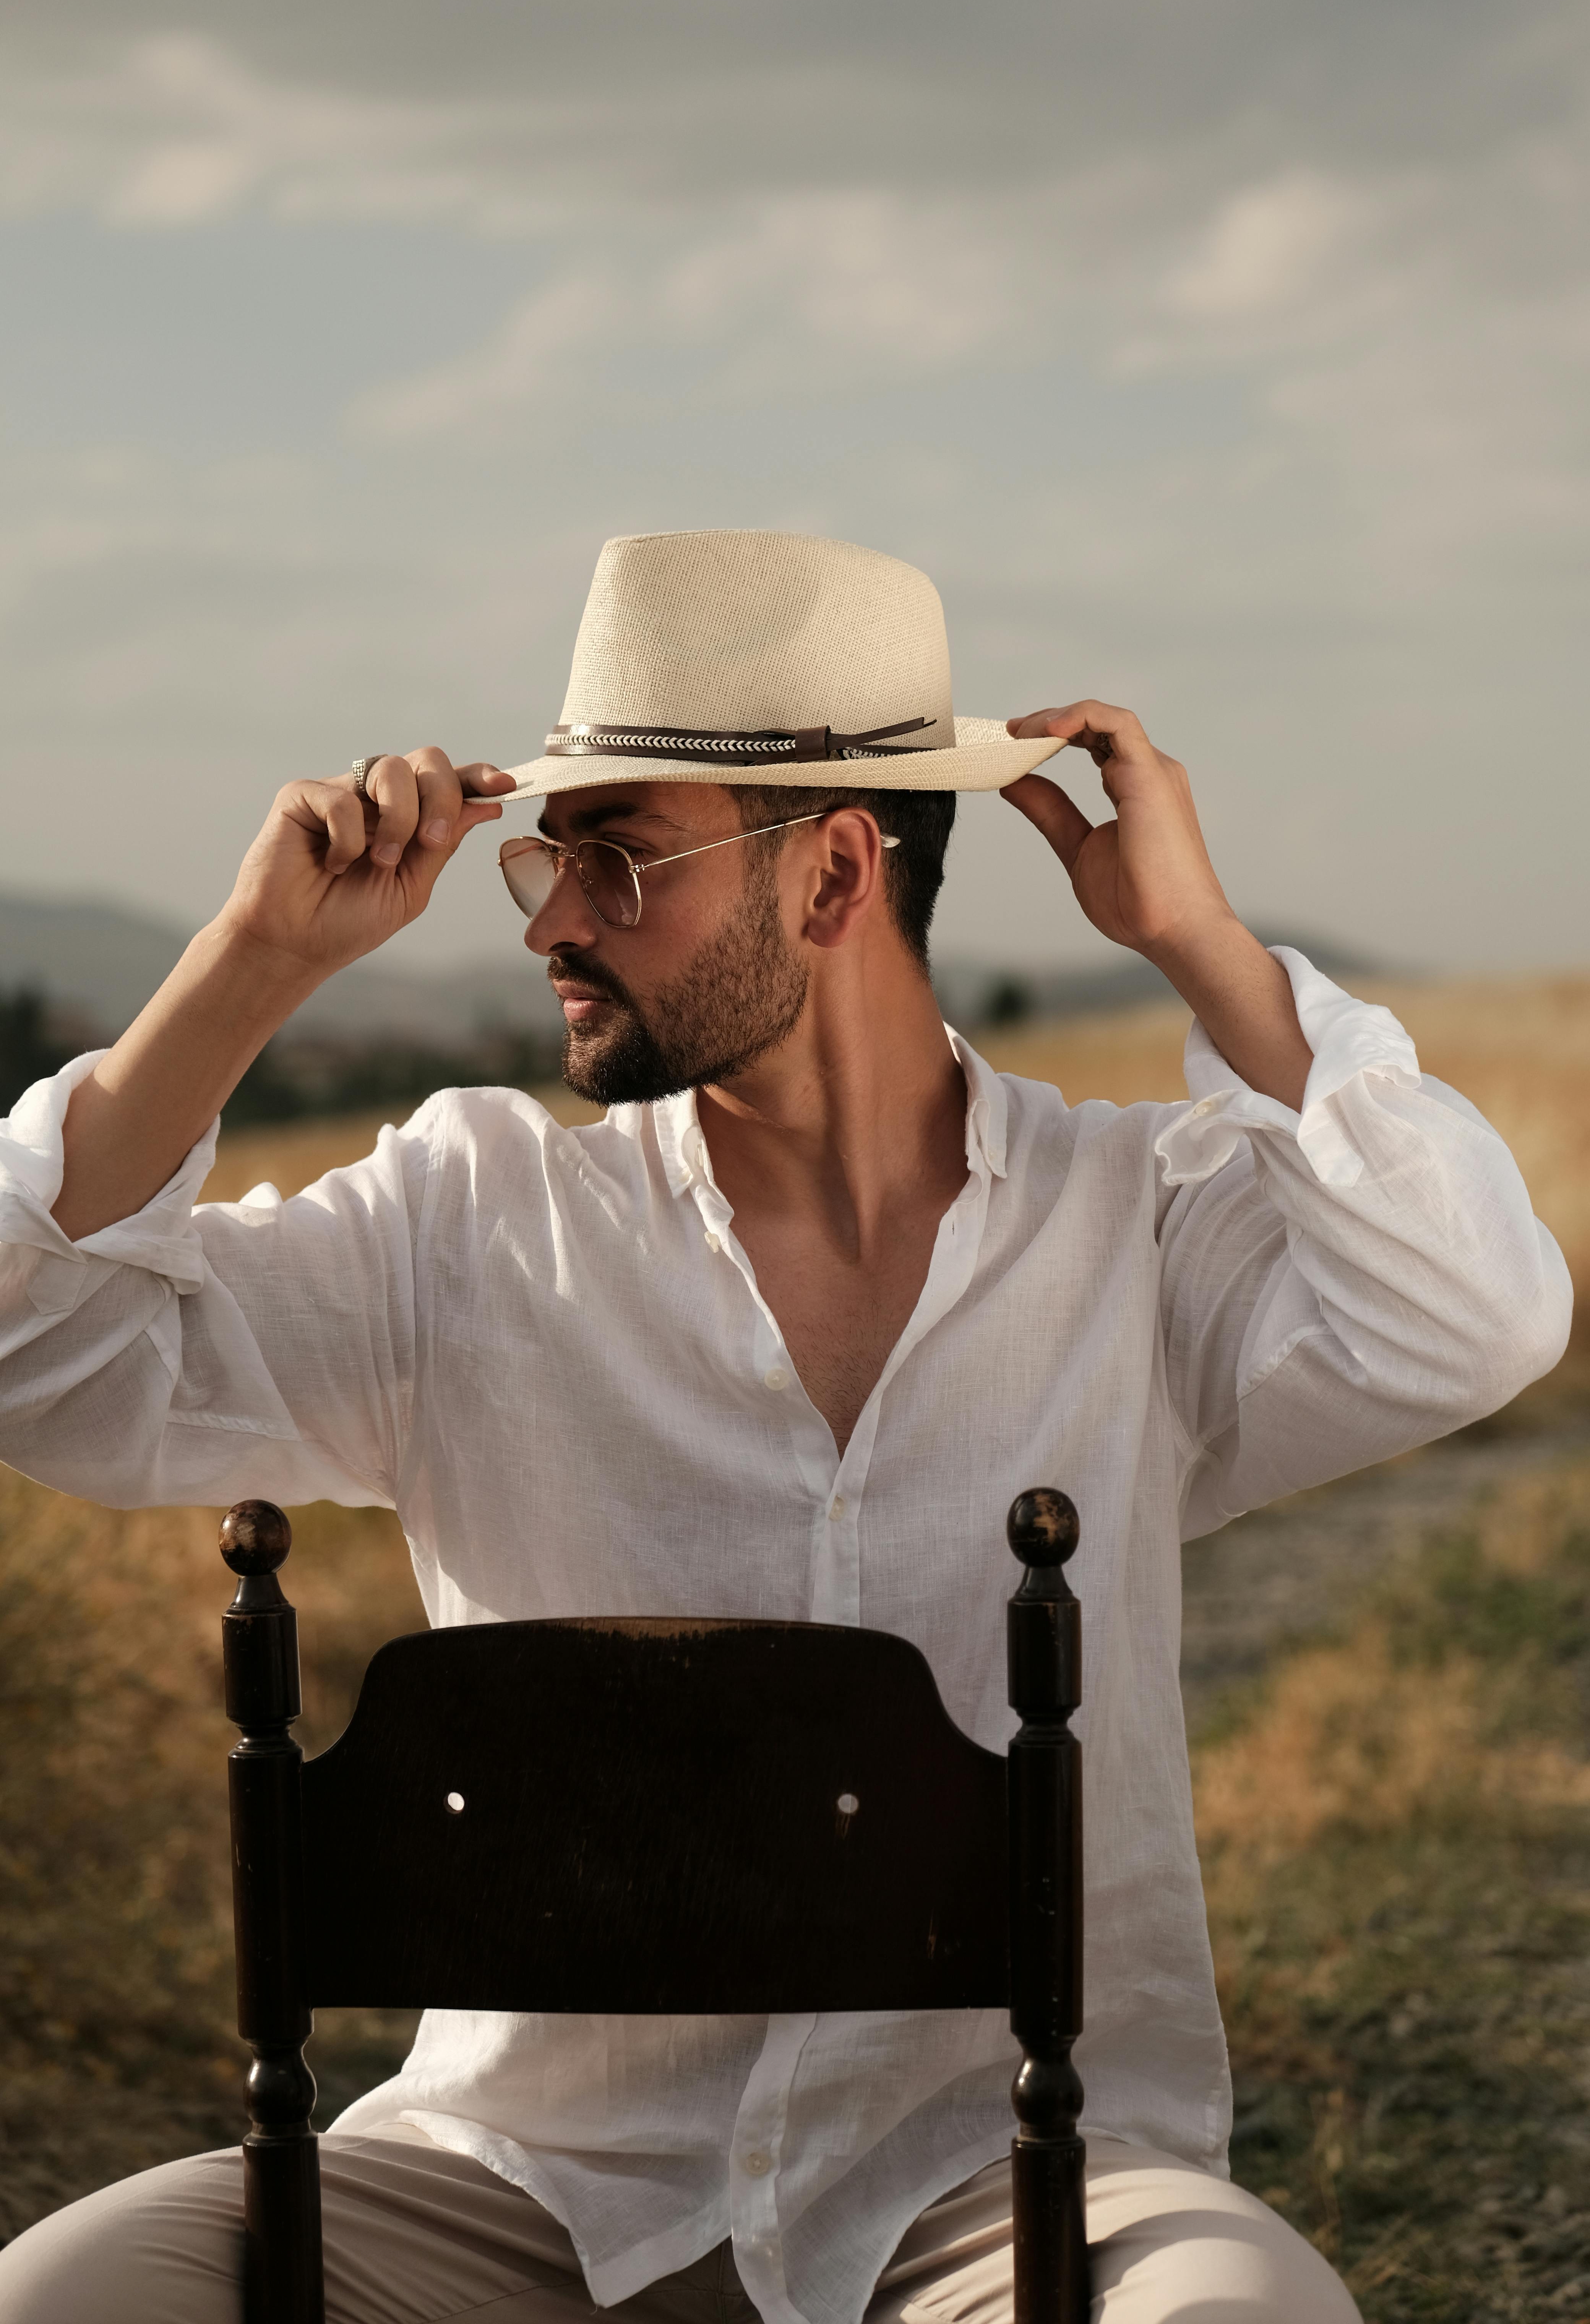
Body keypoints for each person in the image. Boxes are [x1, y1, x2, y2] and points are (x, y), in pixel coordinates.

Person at [0, 529, 1569, 2324]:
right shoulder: (471, 1227)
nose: (548, 920)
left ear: (832, 876)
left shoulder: (1138, 1230)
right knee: (58, 2300)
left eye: (615, 858)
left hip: (995, 2189)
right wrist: (248, 968)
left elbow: (1475, 1315)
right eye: (548, 856)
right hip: (526, 2192)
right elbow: (37, 1360)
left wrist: (1195, 947)